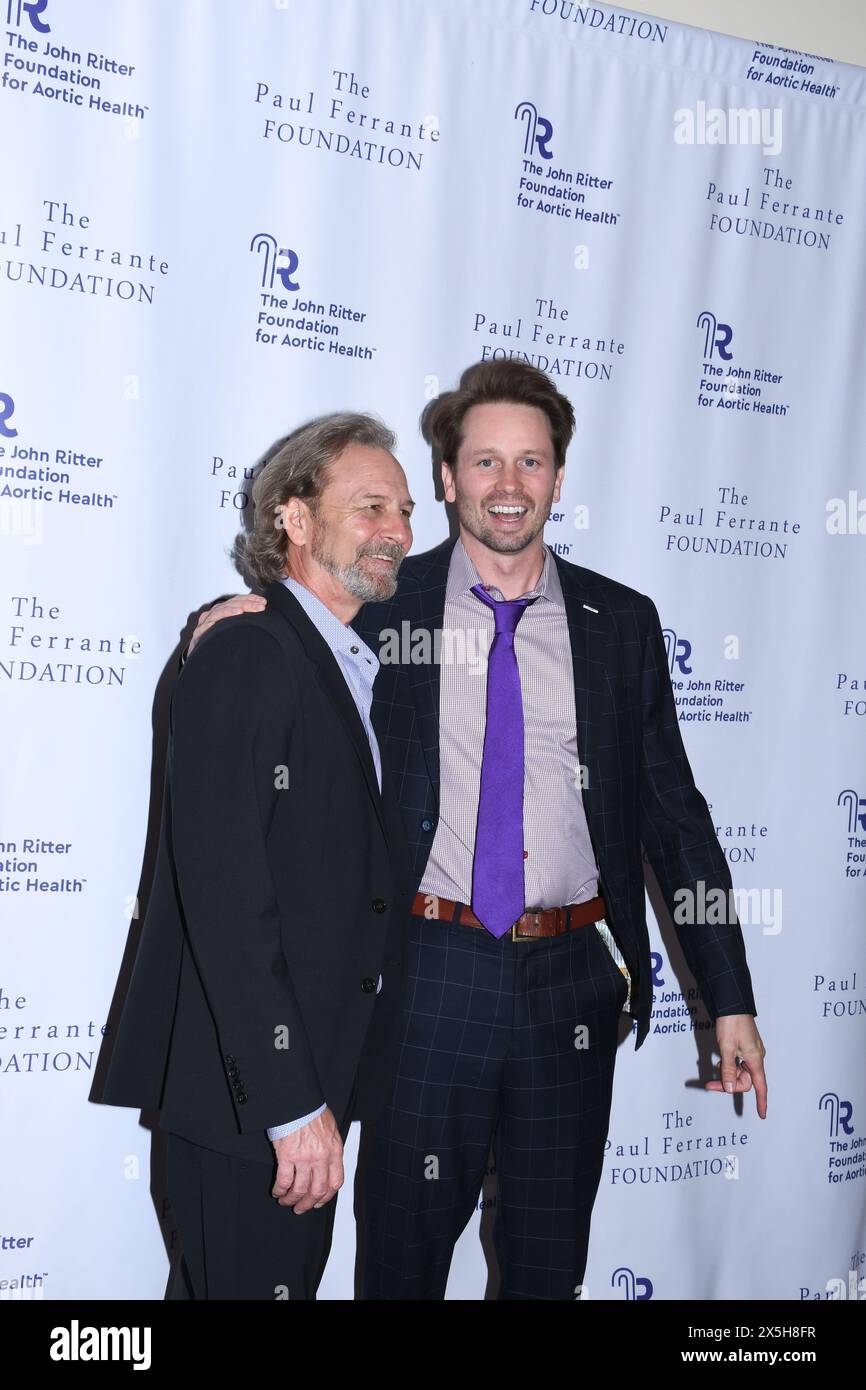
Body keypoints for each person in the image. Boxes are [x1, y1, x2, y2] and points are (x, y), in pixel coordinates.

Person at [190, 360, 767, 1301]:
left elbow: (676, 817)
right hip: (426, 977)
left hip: (573, 979)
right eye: (486, 462)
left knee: (548, 1271)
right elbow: (289, 644)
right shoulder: (380, 601)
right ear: (448, 479)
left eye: (531, 462)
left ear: (558, 478)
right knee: (402, 1268)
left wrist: (730, 996)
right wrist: (236, 616)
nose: (509, 486)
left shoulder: (620, 624)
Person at [99, 412, 415, 1299]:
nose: (396, 530)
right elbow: (226, 894)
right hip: (258, 1107)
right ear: (295, 518)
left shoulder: (343, 660)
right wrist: (287, 1105)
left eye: (404, 509)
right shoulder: (249, 647)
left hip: (298, 1099)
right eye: (369, 507)